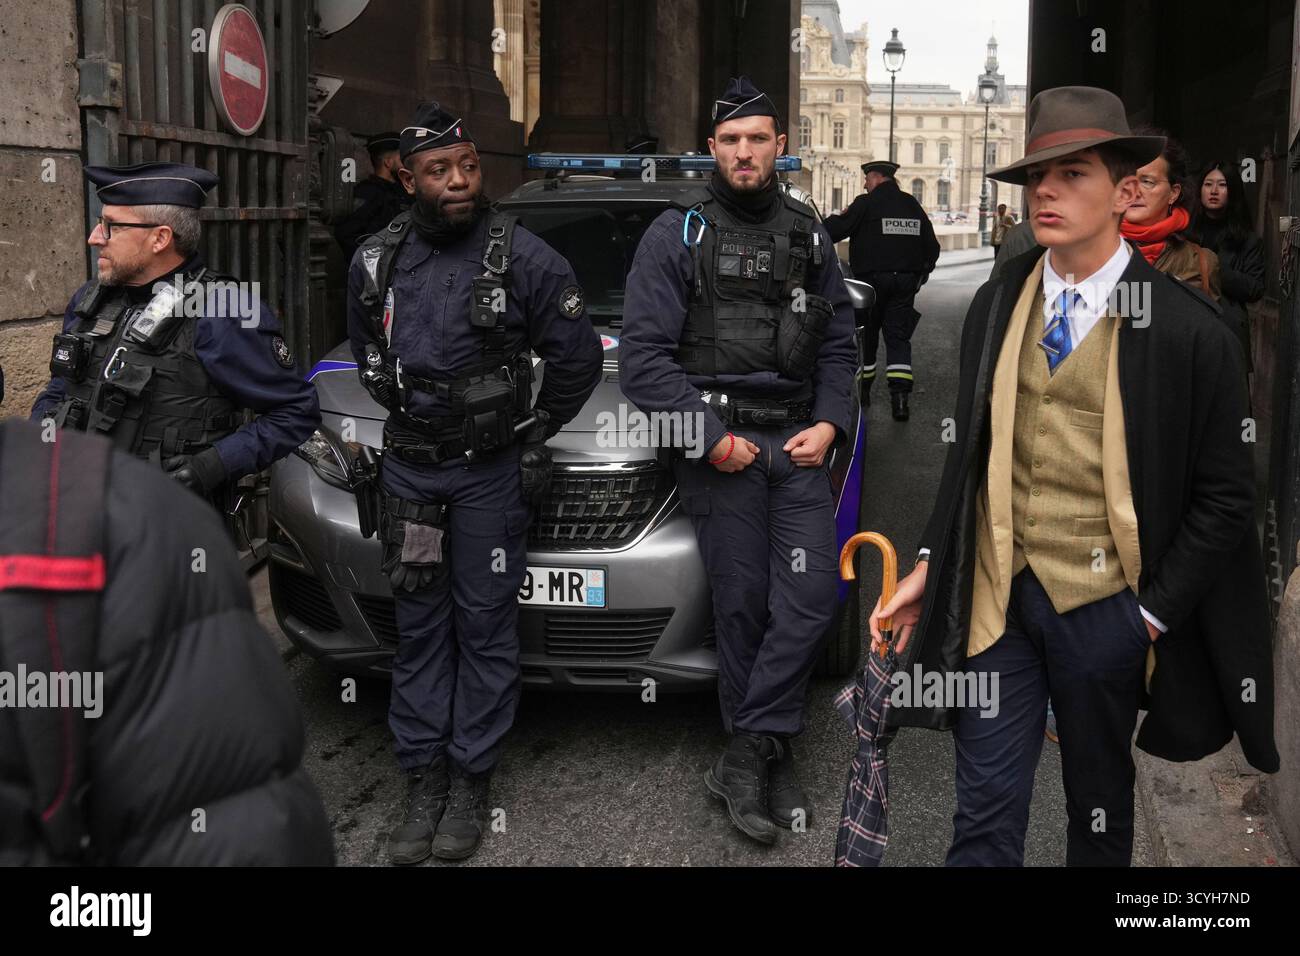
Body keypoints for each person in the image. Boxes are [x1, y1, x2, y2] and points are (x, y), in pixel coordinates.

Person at [871, 86, 1278, 866]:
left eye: (1074, 174)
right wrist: (932, 560)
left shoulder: (1189, 330)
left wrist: (1147, 619)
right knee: (984, 814)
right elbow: (972, 453)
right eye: (1036, 178)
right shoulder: (999, 299)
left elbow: (1227, 499)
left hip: (1107, 611)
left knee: (1096, 812)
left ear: (1126, 190)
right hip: (998, 599)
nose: (1046, 193)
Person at [346, 102, 602, 864]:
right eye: (437, 170)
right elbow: (364, 347)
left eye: (466, 166)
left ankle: (469, 778)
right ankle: (423, 777)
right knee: (421, 625)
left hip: (489, 477)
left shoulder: (525, 258)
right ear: (407, 176)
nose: (457, 181)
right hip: (412, 475)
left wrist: (534, 428)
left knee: (485, 626)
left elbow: (579, 358)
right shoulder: (376, 259)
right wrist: (406, 409)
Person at [619, 76, 857, 845]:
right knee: (745, 603)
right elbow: (645, 361)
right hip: (720, 448)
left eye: (758, 138)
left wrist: (829, 423)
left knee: (815, 596)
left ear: (780, 146)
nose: (745, 152)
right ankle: (767, 751)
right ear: (712, 149)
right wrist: (706, 437)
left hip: (793, 445)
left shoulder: (809, 232)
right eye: (731, 141)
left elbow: (841, 345)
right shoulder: (676, 234)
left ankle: (748, 747)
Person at [0, 416, 333, 865]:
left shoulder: (131, 534)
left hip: (136, 542)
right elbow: (60, 401)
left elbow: (291, 413)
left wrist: (208, 466)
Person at [29, 161, 321, 509]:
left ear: (160, 238)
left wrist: (208, 468)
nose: (94, 238)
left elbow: (296, 412)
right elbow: (60, 388)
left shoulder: (221, 311)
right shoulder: (90, 300)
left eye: (110, 227)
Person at [823, 160, 940, 421]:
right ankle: (900, 402)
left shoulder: (865, 204)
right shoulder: (911, 205)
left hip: (870, 284)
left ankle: (862, 395)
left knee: (867, 338)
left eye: (867, 179)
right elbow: (932, 247)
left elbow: (832, 231)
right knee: (898, 339)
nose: (865, 184)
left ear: (876, 177)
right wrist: (920, 275)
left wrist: (824, 222)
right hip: (904, 283)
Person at [1121, 131, 1223, 304]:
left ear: (1173, 193)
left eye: (1147, 181)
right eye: (1127, 181)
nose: (1134, 191)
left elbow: (1207, 329)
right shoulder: (1092, 255)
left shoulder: (1202, 263)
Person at [1191, 160, 1266, 372]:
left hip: (1228, 330)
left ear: (1232, 191)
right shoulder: (1185, 233)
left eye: (1222, 185)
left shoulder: (1247, 239)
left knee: (1231, 401)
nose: (1214, 191)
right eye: (1208, 184)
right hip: (1188, 327)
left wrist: (1212, 269)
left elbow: (1255, 288)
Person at [334, 132, 415, 262]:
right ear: (388, 162)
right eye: (401, 158)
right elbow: (346, 234)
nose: (406, 163)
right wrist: (373, 264)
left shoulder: (404, 190)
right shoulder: (368, 192)